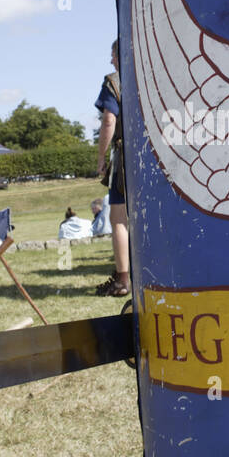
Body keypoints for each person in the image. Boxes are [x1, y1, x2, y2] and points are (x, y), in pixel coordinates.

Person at [94, 41, 129, 296]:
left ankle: (123, 280)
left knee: (118, 219)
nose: (111, 61)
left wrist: (101, 157)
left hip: (126, 157)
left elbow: (109, 120)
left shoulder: (114, 81)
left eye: (113, 54)